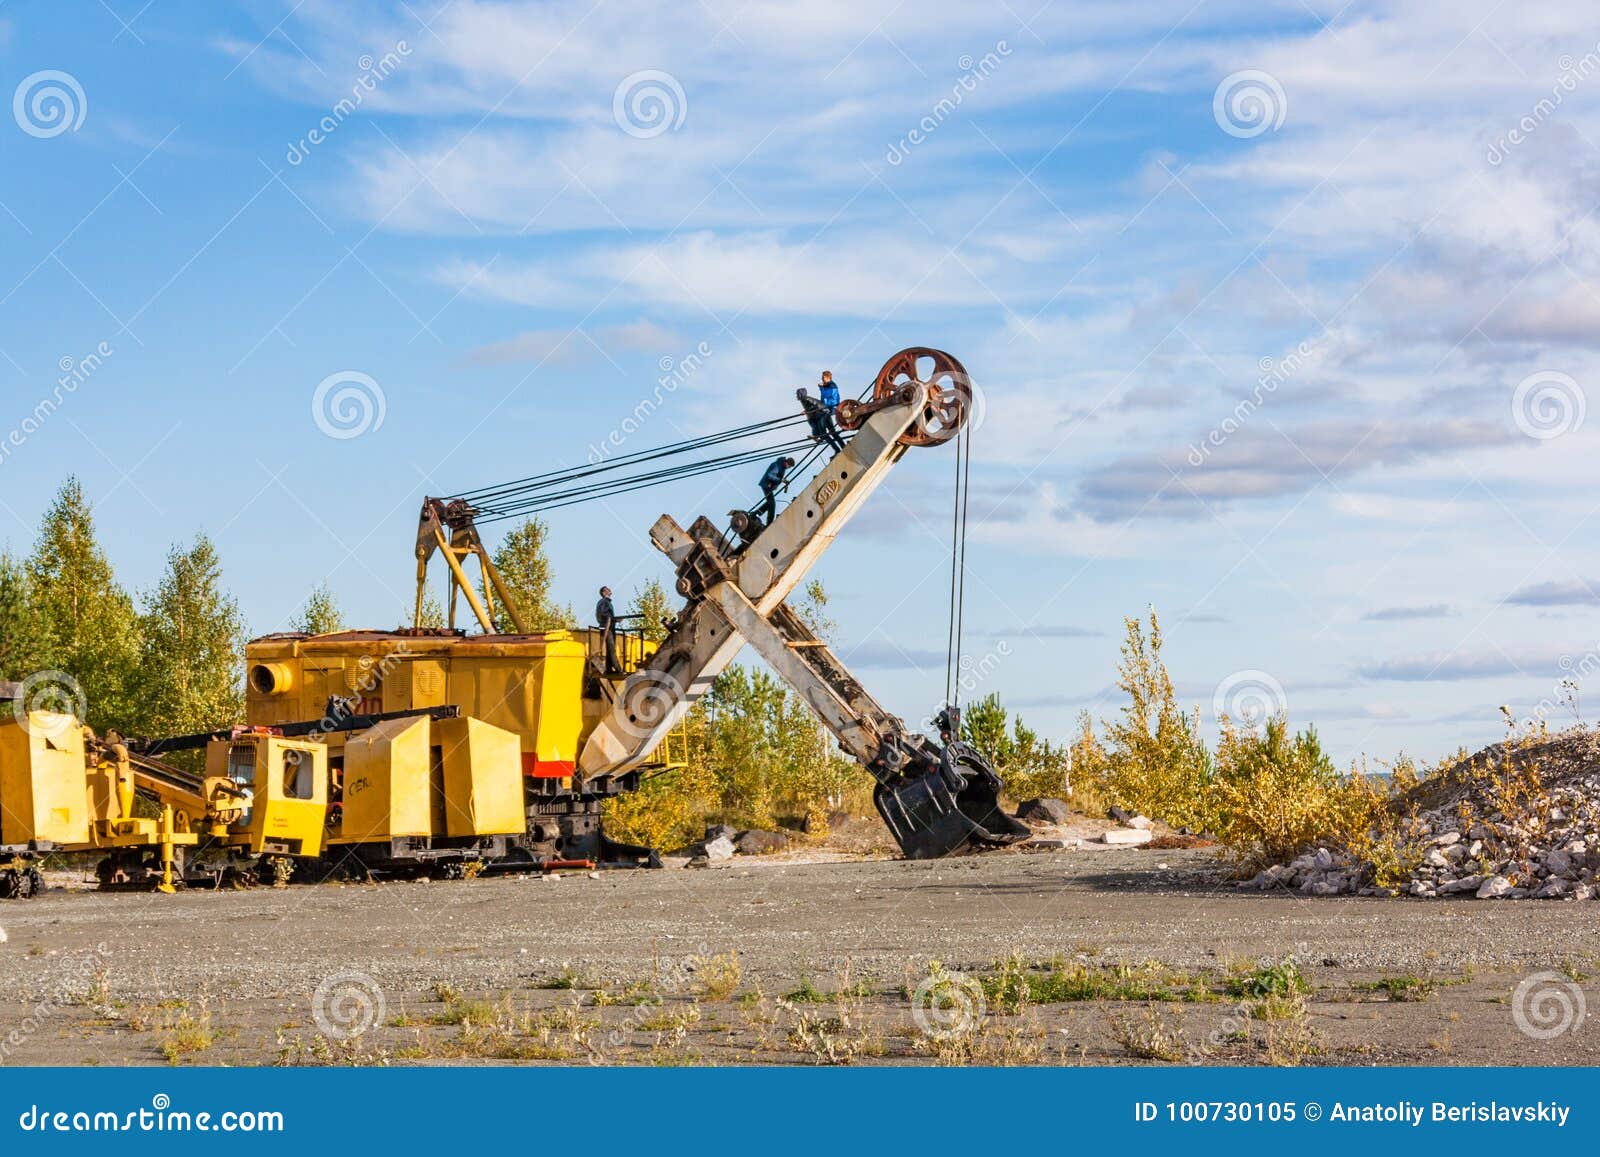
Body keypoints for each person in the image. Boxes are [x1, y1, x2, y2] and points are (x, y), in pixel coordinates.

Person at [796, 387, 845, 453]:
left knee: (823, 435)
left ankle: (837, 450)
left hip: (821, 415)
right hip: (826, 412)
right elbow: (813, 406)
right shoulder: (808, 398)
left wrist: (806, 412)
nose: (796, 396)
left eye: (797, 394)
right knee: (832, 432)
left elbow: (814, 407)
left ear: (800, 394)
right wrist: (806, 411)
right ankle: (843, 446)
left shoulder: (804, 399)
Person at [757, 456, 795, 526]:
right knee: (772, 504)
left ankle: (757, 513)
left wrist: (784, 481)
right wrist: (780, 480)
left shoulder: (782, 467)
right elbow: (770, 475)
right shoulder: (777, 465)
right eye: (789, 466)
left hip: (769, 487)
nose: (788, 468)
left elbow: (779, 476)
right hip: (766, 486)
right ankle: (769, 523)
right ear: (786, 463)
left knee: (770, 503)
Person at [596, 585, 620, 675]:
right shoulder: (604, 602)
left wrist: (615, 619)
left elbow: (607, 616)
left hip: (608, 627)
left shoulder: (605, 602)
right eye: (607, 589)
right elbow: (605, 615)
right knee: (612, 649)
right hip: (607, 628)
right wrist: (614, 619)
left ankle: (609, 669)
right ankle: (618, 669)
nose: (610, 590)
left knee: (610, 649)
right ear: (603, 592)